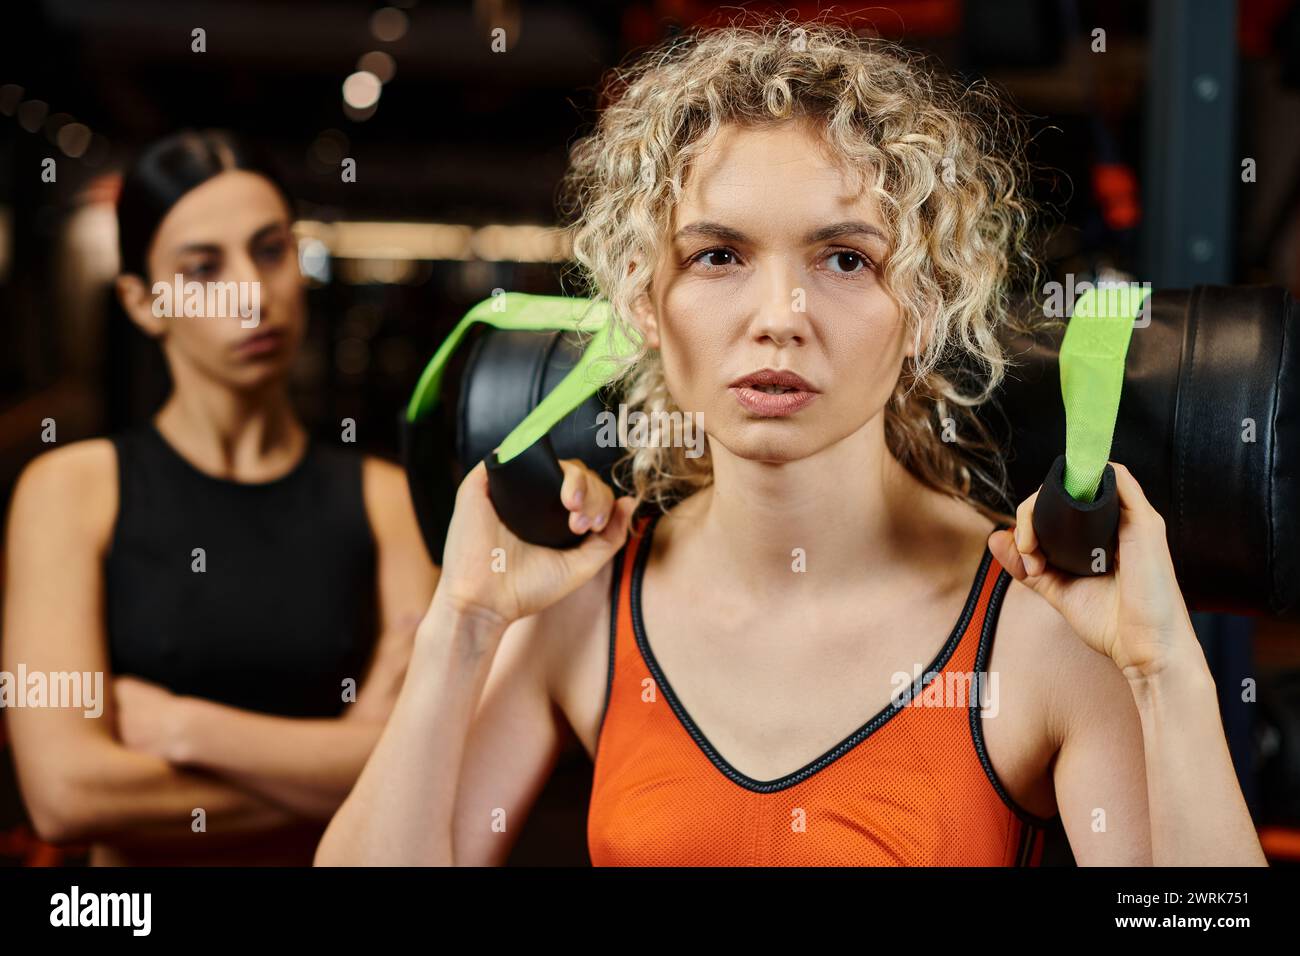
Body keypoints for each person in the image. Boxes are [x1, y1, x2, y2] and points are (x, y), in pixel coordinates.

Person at [316, 18, 1266, 866]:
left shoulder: (1037, 628)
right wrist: (462, 630)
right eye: (718, 256)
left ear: (926, 308)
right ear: (645, 301)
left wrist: (1164, 670)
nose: (781, 316)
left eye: (845, 259)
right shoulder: (582, 604)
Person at [2, 130, 438, 865]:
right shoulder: (72, 492)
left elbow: (433, 774)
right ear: (143, 303)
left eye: (270, 251)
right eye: (203, 268)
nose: (251, 292)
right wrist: (353, 756)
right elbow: (64, 793)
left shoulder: (386, 500)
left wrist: (183, 729)